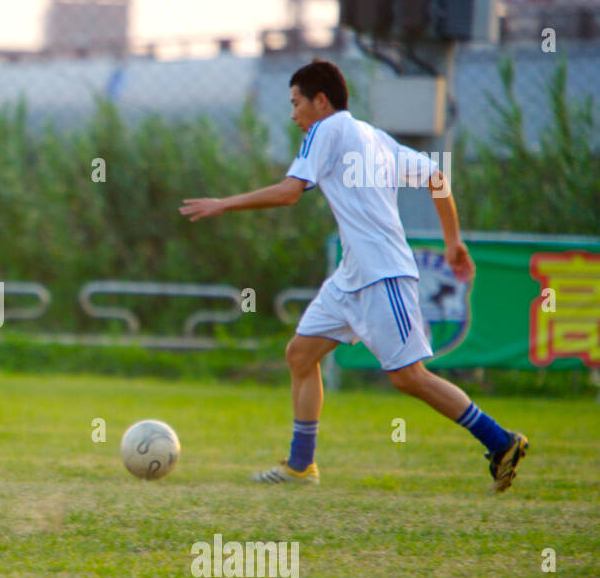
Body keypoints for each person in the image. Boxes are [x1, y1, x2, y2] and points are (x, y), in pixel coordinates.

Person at [179, 58, 528, 492]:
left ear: (320, 102)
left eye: (296, 104)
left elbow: (290, 194)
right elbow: (436, 177)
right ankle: (301, 466)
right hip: (352, 276)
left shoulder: (326, 130)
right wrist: (452, 241)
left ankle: (501, 441)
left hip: (382, 274)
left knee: (409, 377)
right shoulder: (374, 138)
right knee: (301, 355)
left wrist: (224, 203)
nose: (293, 115)